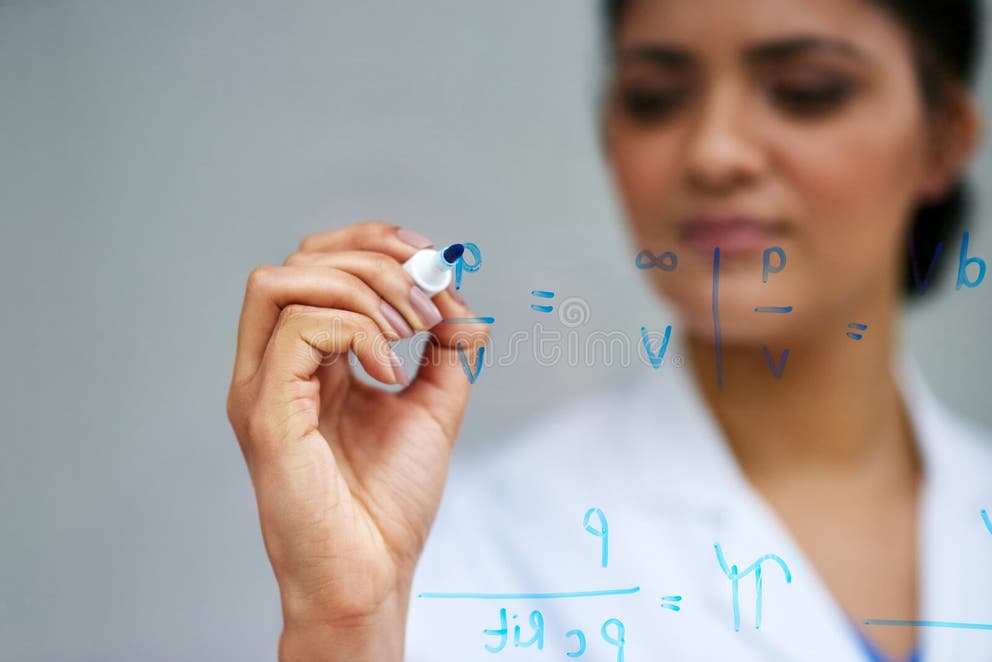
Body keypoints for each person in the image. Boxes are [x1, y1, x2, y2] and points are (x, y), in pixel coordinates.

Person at [224, 0, 991, 659]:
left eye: (805, 91)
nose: (714, 152)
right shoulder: (461, 551)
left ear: (944, 138)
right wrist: (345, 631)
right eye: (655, 96)